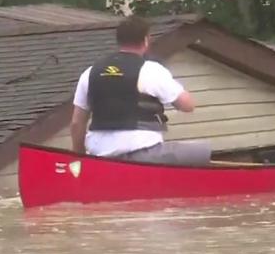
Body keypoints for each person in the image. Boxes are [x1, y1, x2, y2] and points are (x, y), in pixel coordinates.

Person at [70, 15, 211, 165]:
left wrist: (80, 158)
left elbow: (76, 123)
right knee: (201, 153)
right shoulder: (151, 71)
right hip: (143, 157)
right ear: (146, 40)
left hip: (100, 157)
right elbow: (188, 106)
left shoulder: (90, 73)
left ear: (119, 41)